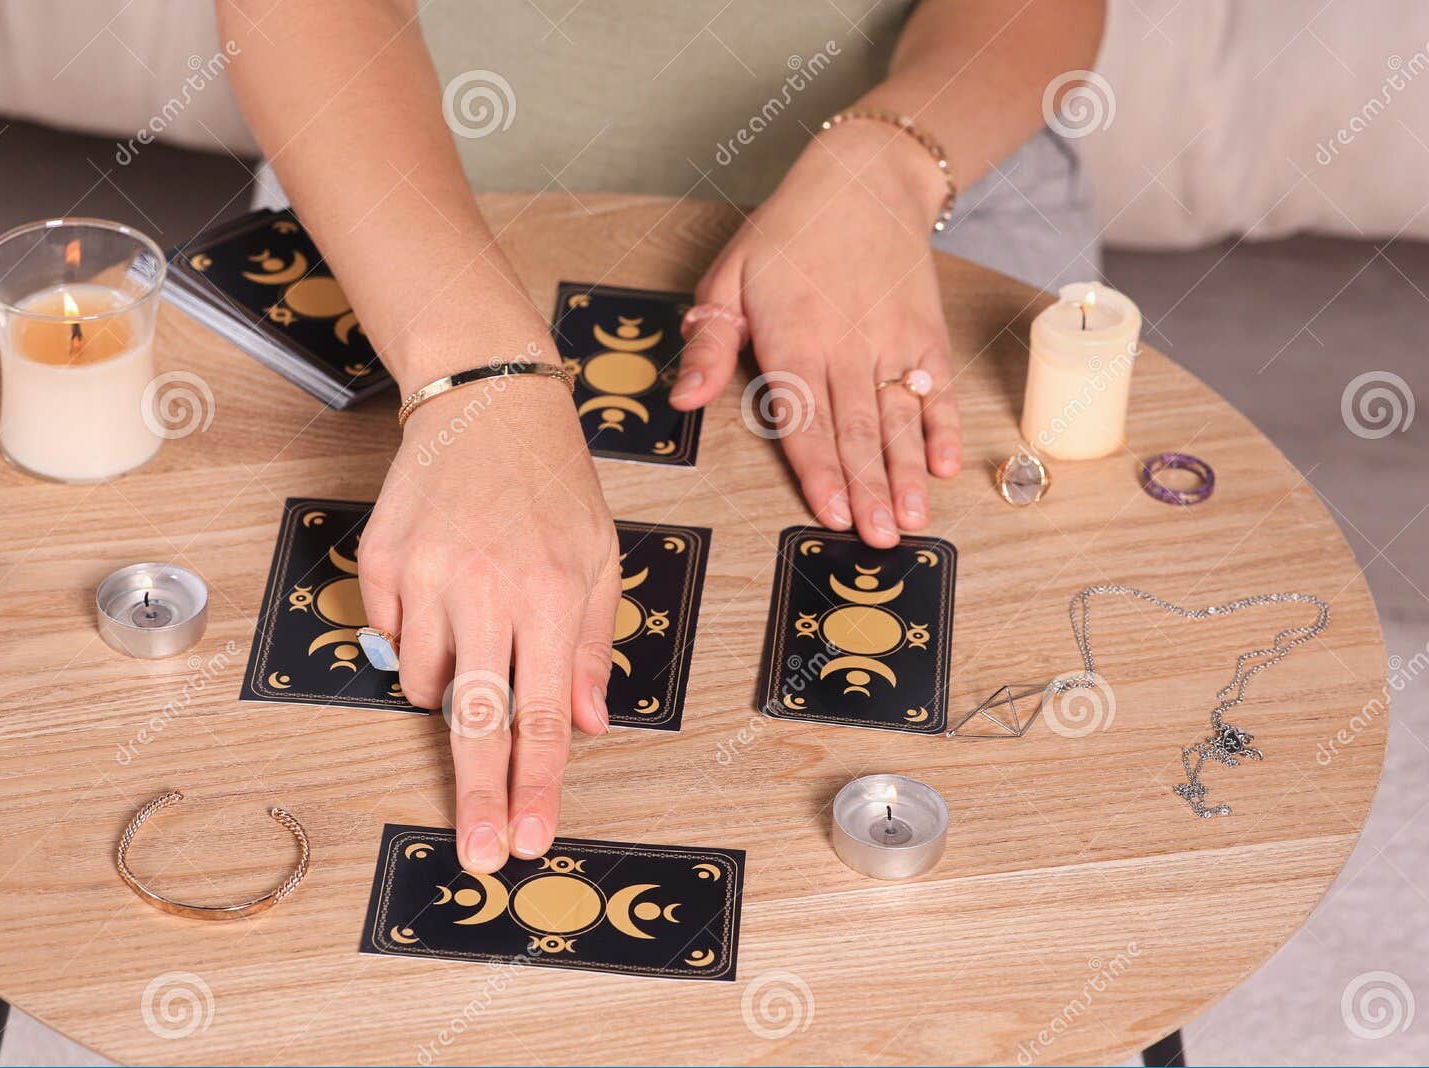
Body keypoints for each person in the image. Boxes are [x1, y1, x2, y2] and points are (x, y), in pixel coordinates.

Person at [220, 0, 1106, 873]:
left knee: (1040, 772)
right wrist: (476, 373)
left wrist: (885, 166)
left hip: (937, 132)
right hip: (385, 157)